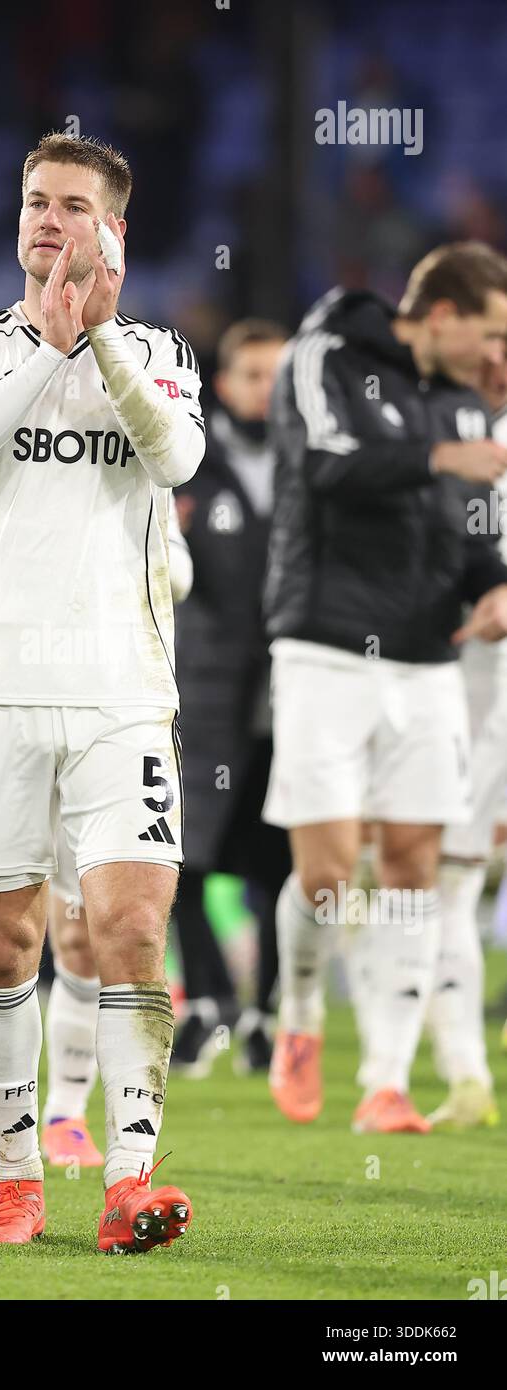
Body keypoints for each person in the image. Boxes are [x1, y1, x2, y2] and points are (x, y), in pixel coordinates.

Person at [0, 132, 205, 1251]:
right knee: (0, 948)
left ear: (112, 229)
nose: (47, 219)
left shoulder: (162, 352)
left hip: (118, 687)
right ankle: (20, 1179)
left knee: (130, 926)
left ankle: (129, 1178)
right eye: (36, 200)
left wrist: (99, 349)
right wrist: (47, 345)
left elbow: (173, 460)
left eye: (72, 205)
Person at [262, 242, 507, 1133]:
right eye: (489, 333)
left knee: (412, 865)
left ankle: (386, 1081)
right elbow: (329, 464)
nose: (495, 356)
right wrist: (439, 457)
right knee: (329, 877)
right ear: (439, 315)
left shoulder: (467, 406)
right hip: (326, 645)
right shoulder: (325, 352)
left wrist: (495, 587)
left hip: (428, 656)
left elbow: (478, 527)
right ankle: (297, 1017)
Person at [0, 484, 193, 1167]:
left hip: (107, 705)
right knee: (6, 944)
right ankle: (19, 1134)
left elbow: (177, 571)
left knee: (101, 931)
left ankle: (68, 1115)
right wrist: (7, 577)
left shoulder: (135, 464)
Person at [351, 355, 507, 1130]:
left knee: (436, 886)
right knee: (437, 887)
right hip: (435, 688)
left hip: (482, 701)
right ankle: (461, 1073)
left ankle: (416, 1071)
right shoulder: (440, 438)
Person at [171, 318, 291, 1077]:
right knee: (180, 861)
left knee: (280, 868)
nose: (266, 390)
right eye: (253, 374)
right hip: (201, 690)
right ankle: (209, 997)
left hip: (291, 691)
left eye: (279, 376)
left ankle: (269, 1015)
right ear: (224, 383)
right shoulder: (180, 461)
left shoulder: (320, 466)